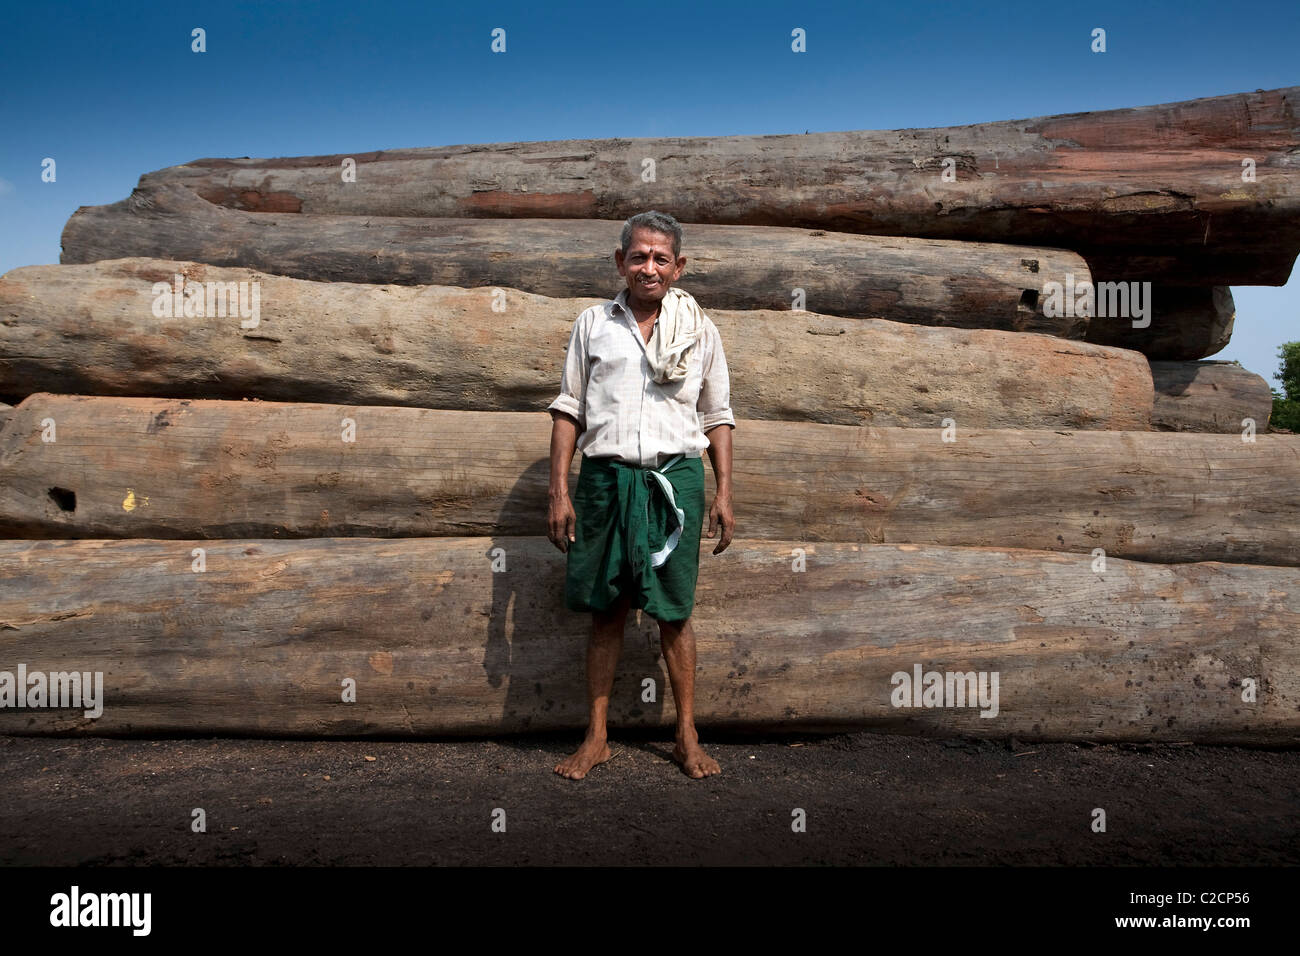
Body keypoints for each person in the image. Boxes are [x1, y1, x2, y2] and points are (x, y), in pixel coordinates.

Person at [546, 210, 735, 780]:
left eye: (660, 258)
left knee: (674, 613)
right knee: (607, 612)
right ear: (619, 261)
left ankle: (686, 735)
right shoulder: (593, 324)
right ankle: (597, 737)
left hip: (675, 481)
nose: (647, 267)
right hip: (605, 481)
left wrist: (725, 491)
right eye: (637, 255)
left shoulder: (699, 328)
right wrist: (559, 489)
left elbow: (717, 414)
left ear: (678, 267)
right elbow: (569, 408)